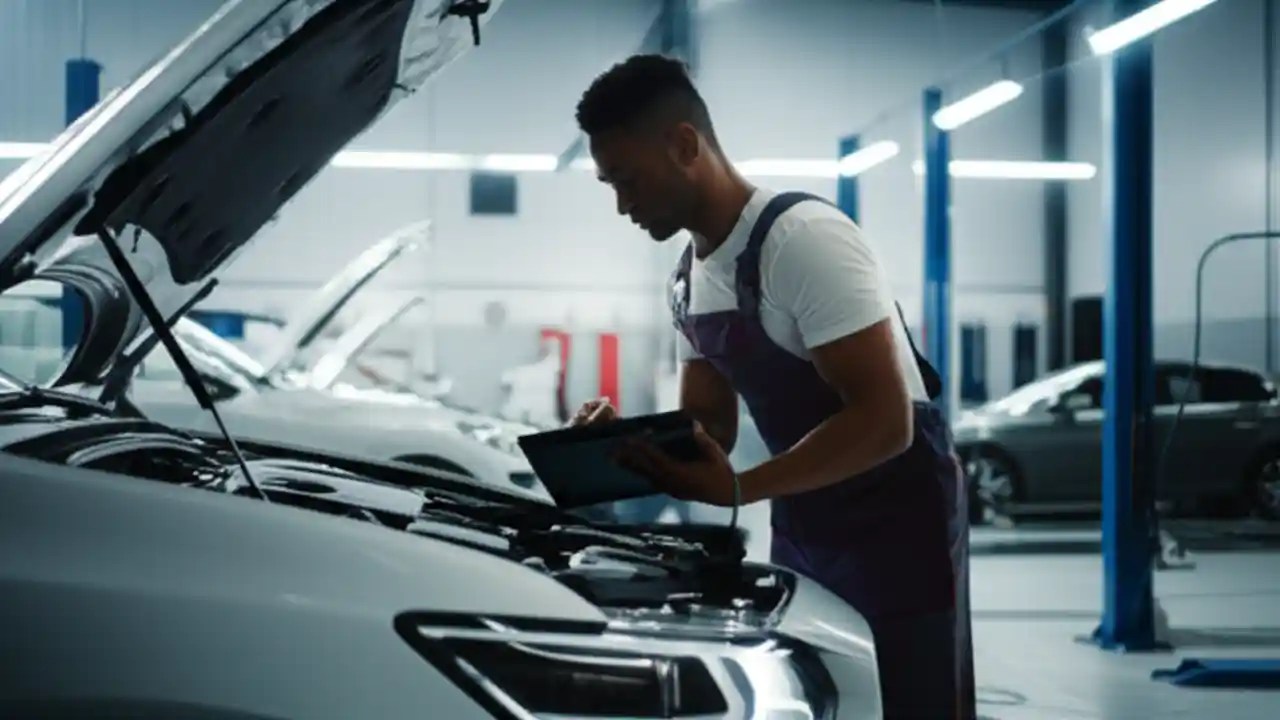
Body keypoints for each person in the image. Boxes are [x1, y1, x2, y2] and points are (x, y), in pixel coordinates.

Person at [569, 54, 975, 719]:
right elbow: (711, 430)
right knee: (828, 695)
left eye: (628, 180)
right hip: (806, 514)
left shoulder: (802, 241)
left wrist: (740, 490)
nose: (622, 206)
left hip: (900, 520)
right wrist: (624, 443)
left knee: (909, 696)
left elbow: (884, 422)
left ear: (683, 145)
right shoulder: (687, 279)